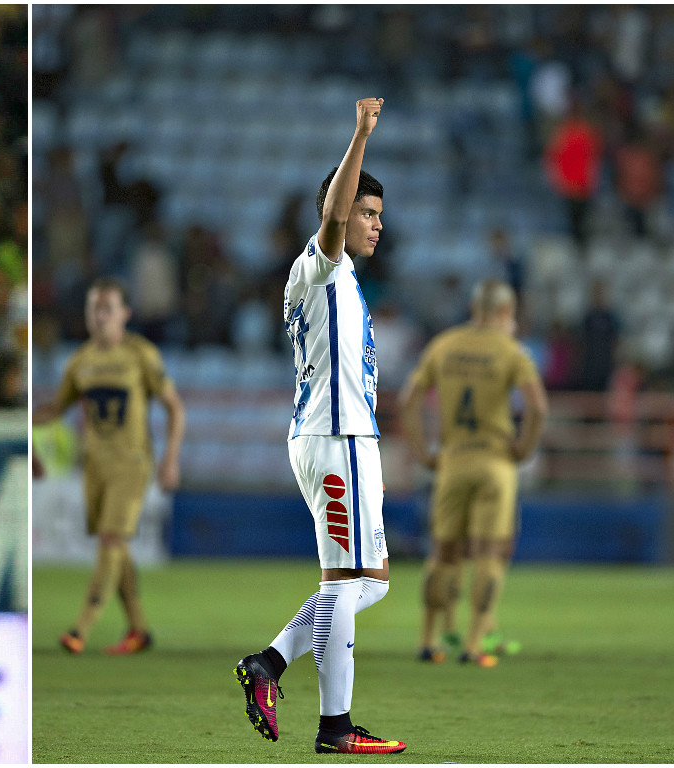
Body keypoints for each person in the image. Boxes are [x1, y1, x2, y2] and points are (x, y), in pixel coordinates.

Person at [235, 98, 406, 755]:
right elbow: (333, 216)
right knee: (343, 581)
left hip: (348, 437)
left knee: (372, 580)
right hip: (334, 437)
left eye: (379, 215)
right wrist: (360, 134)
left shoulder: (345, 278)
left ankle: (270, 663)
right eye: (368, 212)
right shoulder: (320, 263)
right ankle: (335, 726)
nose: (376, 224)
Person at [400, 280, 548, 667]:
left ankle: (428, 640)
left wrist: (423, 453)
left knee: (443, 553)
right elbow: (538, 407)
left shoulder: (443, 345)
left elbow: (408, 401)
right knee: (490, 555)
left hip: (452, 462)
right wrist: (524, 449)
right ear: (505, 312)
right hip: (495, 463)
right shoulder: (511, 351)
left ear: (473, 308)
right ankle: (474, 643)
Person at [34, 277, 185, 656]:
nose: (100, 316)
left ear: (124, 314)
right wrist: (28, 432)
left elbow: (174, 407)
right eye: (94, 309)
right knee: (117, 548)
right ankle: (139, 629)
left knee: (111, 541)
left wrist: (170, 459)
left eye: (107, 309)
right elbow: (57, 408)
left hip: (131, 463)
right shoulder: (81, 361)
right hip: (94, 466)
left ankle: (80, 628)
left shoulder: (141, 354)